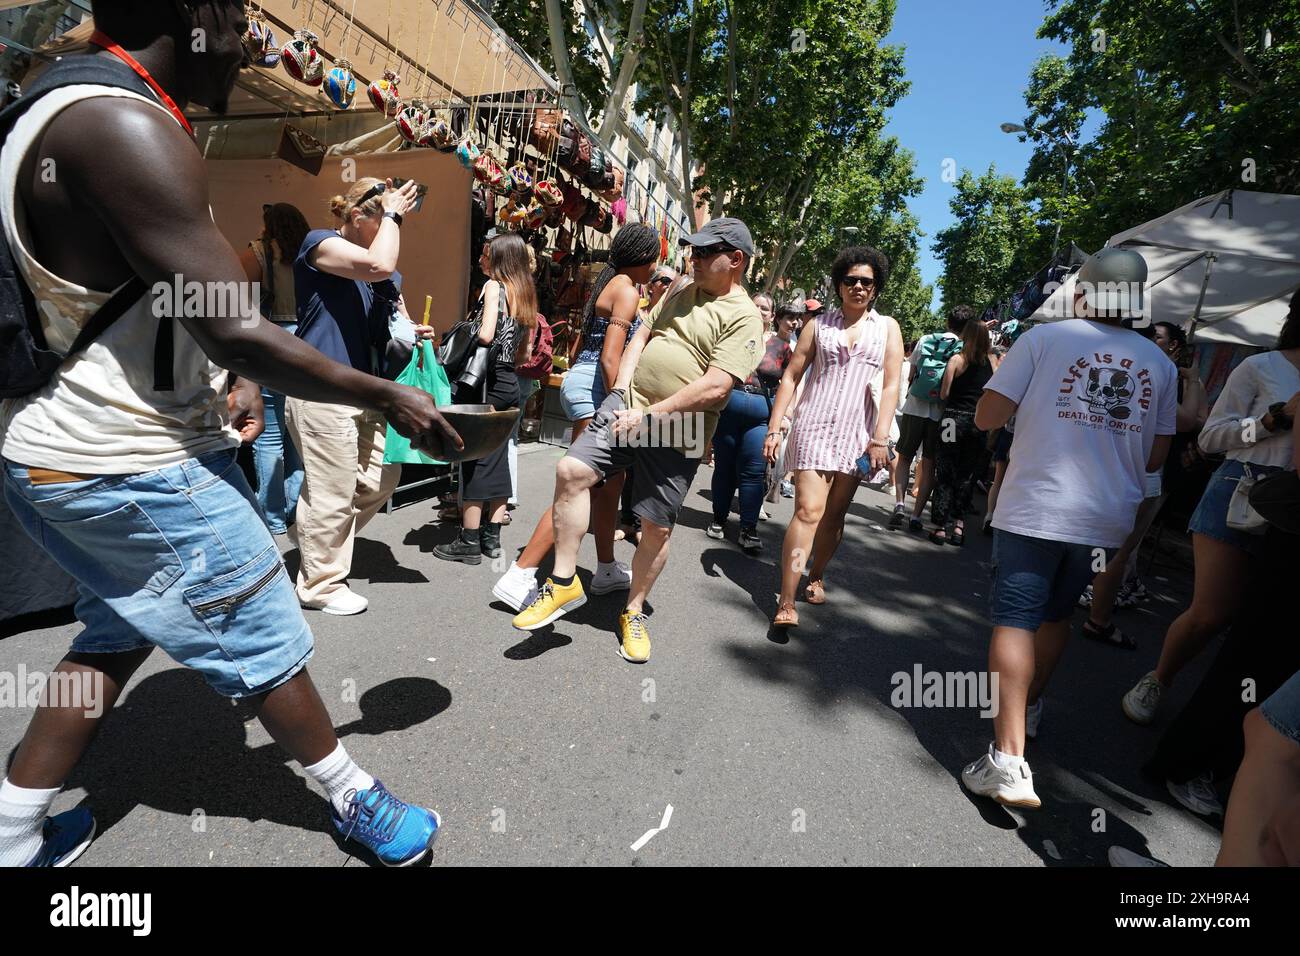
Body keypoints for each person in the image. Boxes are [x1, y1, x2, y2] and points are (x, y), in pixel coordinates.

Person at [0, 0, 460, 867]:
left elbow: (178, 300)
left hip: (66, 451)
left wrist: (233, 377)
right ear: (194, 10)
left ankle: (11, 832)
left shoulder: (69, 103)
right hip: (127, 460)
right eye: (241, 22)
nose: (248, 46)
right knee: (266, 632)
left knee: (116, 629)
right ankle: (353, 796)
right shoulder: (118, 123)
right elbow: (233, 324)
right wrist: (385, 396)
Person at [959, 248, 1176, 808]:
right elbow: (1155, 458)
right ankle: (1029, 707)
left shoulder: (1043, 340)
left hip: (1038, 504)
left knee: (1014, 619)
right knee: (1056, 614)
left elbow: (987, 417)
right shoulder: (1161, 364)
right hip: (1104, 518)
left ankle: (1007, 760)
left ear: (1083, 292)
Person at [511, 217, 764, 664]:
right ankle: (565, 580)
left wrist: (648, 415)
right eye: (694, 250)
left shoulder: (745, 317)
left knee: (656, 526)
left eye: (706, 252)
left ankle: (632, 611)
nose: (695, 258)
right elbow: (642, 331)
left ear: (735, 260)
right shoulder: (682, 287)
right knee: (571, 471)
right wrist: (622, 389)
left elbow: (716, 388)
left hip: (677, 426)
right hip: (626, 405)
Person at [1122, 298, 1300, 725]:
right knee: (1212, 613)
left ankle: (1237, 724)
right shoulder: (1262, 367)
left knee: (1261, 627)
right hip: (1241, 493)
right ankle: (1158, 679)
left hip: (1293, 512)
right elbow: (1209, 438)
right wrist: (1271, 422)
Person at [285, 178, 433, 616]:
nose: (394, 228)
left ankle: (314, 539)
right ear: (357, 216)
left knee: (377, 483)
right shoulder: (320, 243)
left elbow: (393, 314)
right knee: (332, 491)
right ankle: (320, 586)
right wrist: (393, 214)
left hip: (368, 390)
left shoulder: (384, 271)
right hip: (322, 388)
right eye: (385, 217)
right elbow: (378, 265)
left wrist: (411, 332)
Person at [491, 223, 661, 608]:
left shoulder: (609, 283)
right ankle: (520, 573)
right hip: (597, 388)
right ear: (644, 257)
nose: (655, 267)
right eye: (654, 258)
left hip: (583, 381)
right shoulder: (628, 292)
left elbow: (590, 344)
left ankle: (604, 569)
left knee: (609, 486)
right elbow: (610, 356)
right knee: (580, 486)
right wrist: (620, 401)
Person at [765, 246, 904, 627]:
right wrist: (776, 426)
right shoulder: (818, 325)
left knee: (834, 515)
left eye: (867, 282)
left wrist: (879, 438)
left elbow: (891, 385)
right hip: (813, 427)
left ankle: (817, 573)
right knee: (808, 510)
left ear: (876, 289)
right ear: (839, 284)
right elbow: (791, 375)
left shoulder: (888, 328)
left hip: (860, 436)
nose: (858, 286)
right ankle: (787, 600)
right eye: (851, 280)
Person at [1079, 320, 1207, 647]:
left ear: (1175, 346)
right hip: (1139, 470)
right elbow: (1188, 421)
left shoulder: (1149, 371)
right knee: (1117, 548)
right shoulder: (1154, 371)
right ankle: (1098, 617)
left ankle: (1093, 601)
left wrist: (1193, 384)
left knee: (1114, 546)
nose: (1150, 342)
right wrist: (1193, 384)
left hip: (1139, 469)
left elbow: (1200, 422)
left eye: (1158, 338)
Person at [434, 232, 537, 564]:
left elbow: (486, 333)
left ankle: (468, 541)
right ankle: (491, 540)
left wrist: (468, 329)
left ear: (500, 259)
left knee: (473, 457)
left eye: (486, 254)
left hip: (485, 384)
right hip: (509, 383)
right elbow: (526, 352)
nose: (480, 259)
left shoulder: (494, 287)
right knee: (498, 457)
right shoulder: (526, 292)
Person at [238, 202, 309, 535]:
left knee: (269, 438)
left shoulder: (260, 251)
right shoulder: (313, 251)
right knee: (297, 435)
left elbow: (236, 295)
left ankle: (273, 517)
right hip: (308, 343)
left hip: (273, 340)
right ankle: (296, 508)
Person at [708, 296, 798, 551]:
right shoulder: (734, 333)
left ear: (772, 315)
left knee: (753, 472)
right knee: (724, 467)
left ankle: (748, 529)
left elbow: (790, 386)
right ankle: (718, 519)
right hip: (728, 408)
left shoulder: (785, 348)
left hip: (761, 416)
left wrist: (783, 420)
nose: (759, 311)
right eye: (755, 306)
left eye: (765, 308)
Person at [891, 306, 973, 531]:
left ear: (947, 322)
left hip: (914, 407)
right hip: (942, 415)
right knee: (930, 464)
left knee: (905, 456)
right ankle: (916, 516)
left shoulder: (926, 339)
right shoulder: (964, 349)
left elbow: (911, 374)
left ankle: (899, 503)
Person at [927, 318, 997, 545]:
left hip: (952, 421)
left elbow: (945, 393)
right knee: (967, 476)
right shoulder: (991, 363)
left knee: (945, 472)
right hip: (977, 424)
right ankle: (958, 525)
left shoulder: (957, 360)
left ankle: (938, 526)